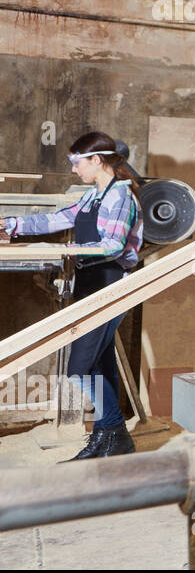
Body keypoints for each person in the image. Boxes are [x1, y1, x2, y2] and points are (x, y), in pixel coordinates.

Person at [1, 132, 143, 459]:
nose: (75, 169)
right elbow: (57, 218)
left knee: (79, 367)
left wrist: (63, 248)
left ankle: (114, 431)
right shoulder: (94, 195)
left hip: (110, 284)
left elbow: (113, 245)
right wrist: (10, 224)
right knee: (101, 363)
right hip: (89, 282)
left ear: (97, 160)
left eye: (77, 162)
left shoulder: (119, 197)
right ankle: (108, 439)